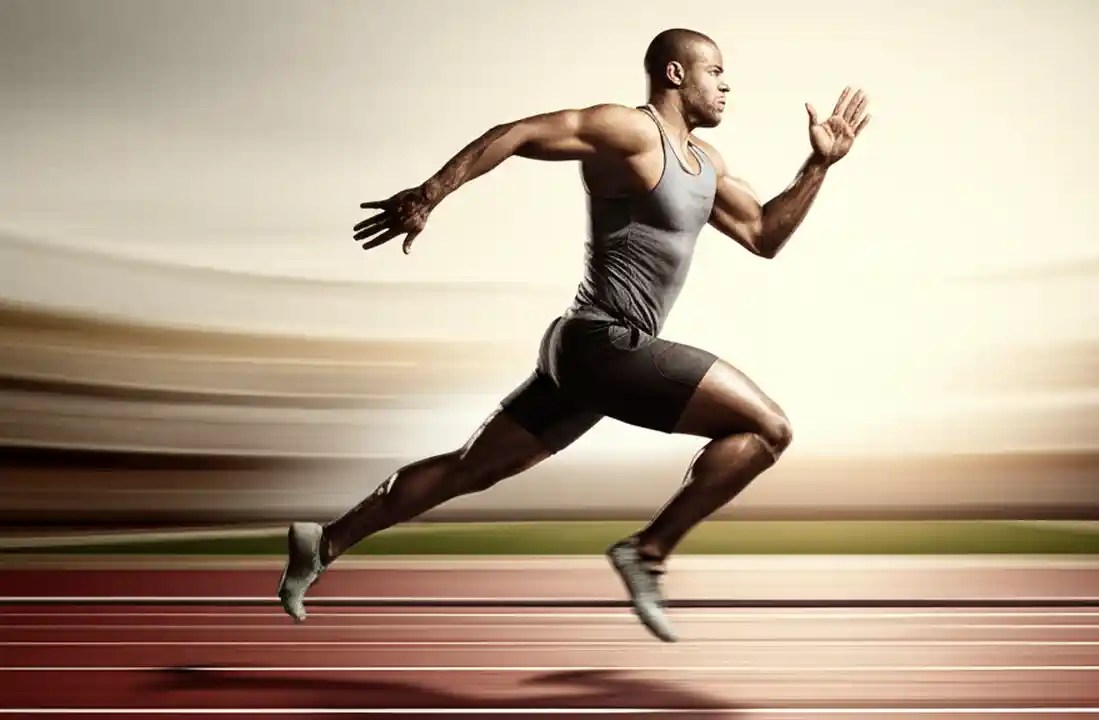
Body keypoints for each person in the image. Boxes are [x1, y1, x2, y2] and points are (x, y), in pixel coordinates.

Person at [278, 28, 871, 642]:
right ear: (675, 75)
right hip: (600, 343)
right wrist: (431, 194)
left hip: (589, 359)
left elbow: (765, 235)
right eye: (715, 72)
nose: (726, 85)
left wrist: (819, 163)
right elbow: (518, 134)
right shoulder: (631, 132)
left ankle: (323, 542)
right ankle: (648, 552)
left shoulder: (705, 165)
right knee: (769, 428)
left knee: (469, 469)